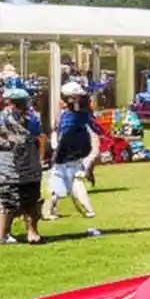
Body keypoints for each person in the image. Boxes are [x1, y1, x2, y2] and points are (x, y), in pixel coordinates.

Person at [44, 83, 102, 221]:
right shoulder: (73, 115)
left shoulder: (75, 115)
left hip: (70, 154)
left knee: (62, 183)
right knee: (70, 181)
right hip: (68, 154)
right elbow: (63, 134)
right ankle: (86, 210)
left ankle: (48, 211)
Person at [0, 88, 44, 244]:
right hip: (9, 168)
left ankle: (31, 232)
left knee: (30, 200)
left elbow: (37, 137)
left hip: (28, 166)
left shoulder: (31, 118)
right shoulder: (3, 119)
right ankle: (4, 234)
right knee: (10, 201)